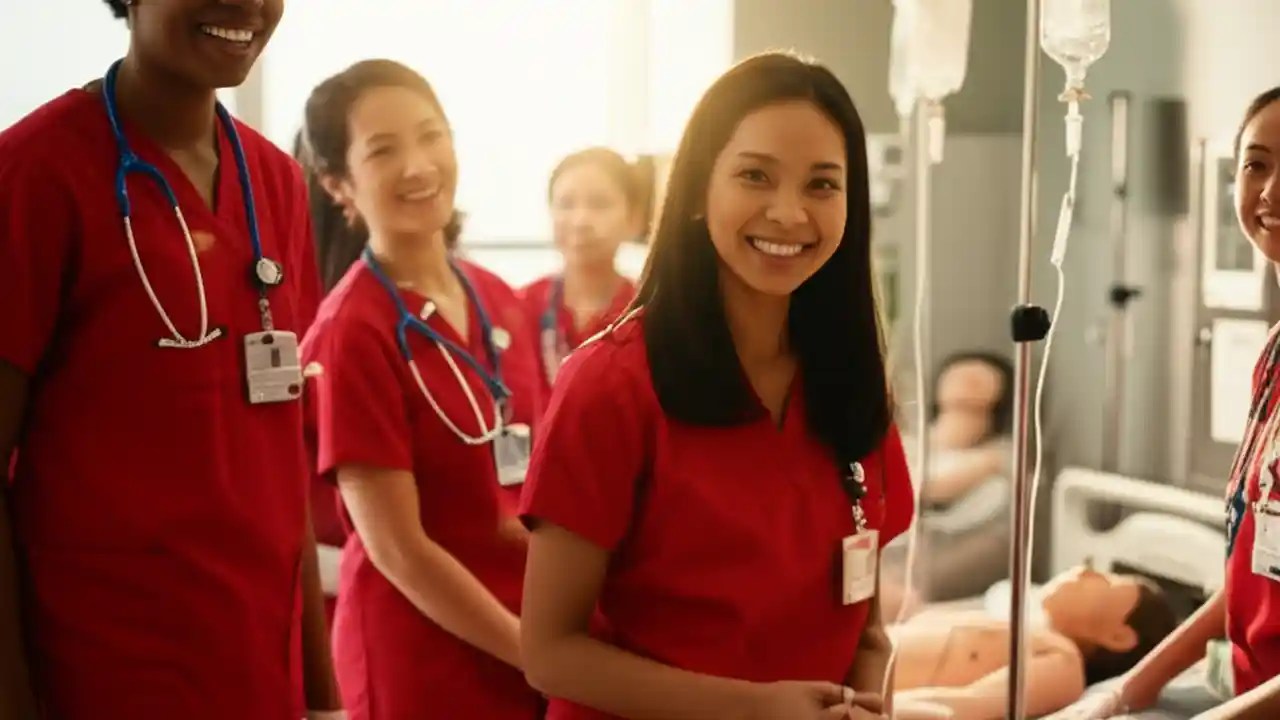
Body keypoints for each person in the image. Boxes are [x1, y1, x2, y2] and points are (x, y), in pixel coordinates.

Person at [518, 51, 914, 720]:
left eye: (822, 184)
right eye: (756, 176)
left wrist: (867, 706)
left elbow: (868, 633)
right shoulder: (612, 385)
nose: (788, 212)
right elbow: (549, 652)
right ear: (700, 188)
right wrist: (757, 710)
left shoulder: (848, 383)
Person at [0, 1, 342, 718]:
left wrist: (323, 697)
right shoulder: (35, 172)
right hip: (104, 675)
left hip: (259, 673)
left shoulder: (276, 182)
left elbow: (279, 464)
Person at [300, 59, 544, 719]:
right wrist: (538, 654)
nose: (418, 165)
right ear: (338, 184)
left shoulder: (497, 298)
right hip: (423, 659)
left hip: (527, 639)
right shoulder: (352, 331)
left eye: (431, 135)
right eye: (383, 150)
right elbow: (399, 550)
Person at [1061, 86, 1280, 720]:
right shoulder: (1272, 358)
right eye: (1256, 164)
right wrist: (1128, 689)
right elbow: (1250, 579)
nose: (1270, 191)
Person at [889, 565, 1177, 720]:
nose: (1085, 570)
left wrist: (869, 710)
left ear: (1119, 637)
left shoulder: (1063, 663)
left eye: (1108, 580)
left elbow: (962, 709)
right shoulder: (1012, 626)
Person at [519, 147, 644, 397]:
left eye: (599, 204)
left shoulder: (646, 314)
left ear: (634, 219)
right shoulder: (517, 308)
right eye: (566, 204)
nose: (581, 221)